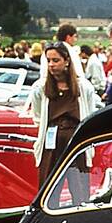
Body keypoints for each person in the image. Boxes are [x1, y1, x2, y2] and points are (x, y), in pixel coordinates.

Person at [31, 42, 93, 183]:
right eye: (48, 61)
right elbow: (38, 117)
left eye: (56, 60)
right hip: (51, 143)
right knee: (48, 186)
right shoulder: (40, 88)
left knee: (79, 189)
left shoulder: (83, 88)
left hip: (76, 142)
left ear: (67, 61)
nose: (51, 65)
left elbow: (89, 114)